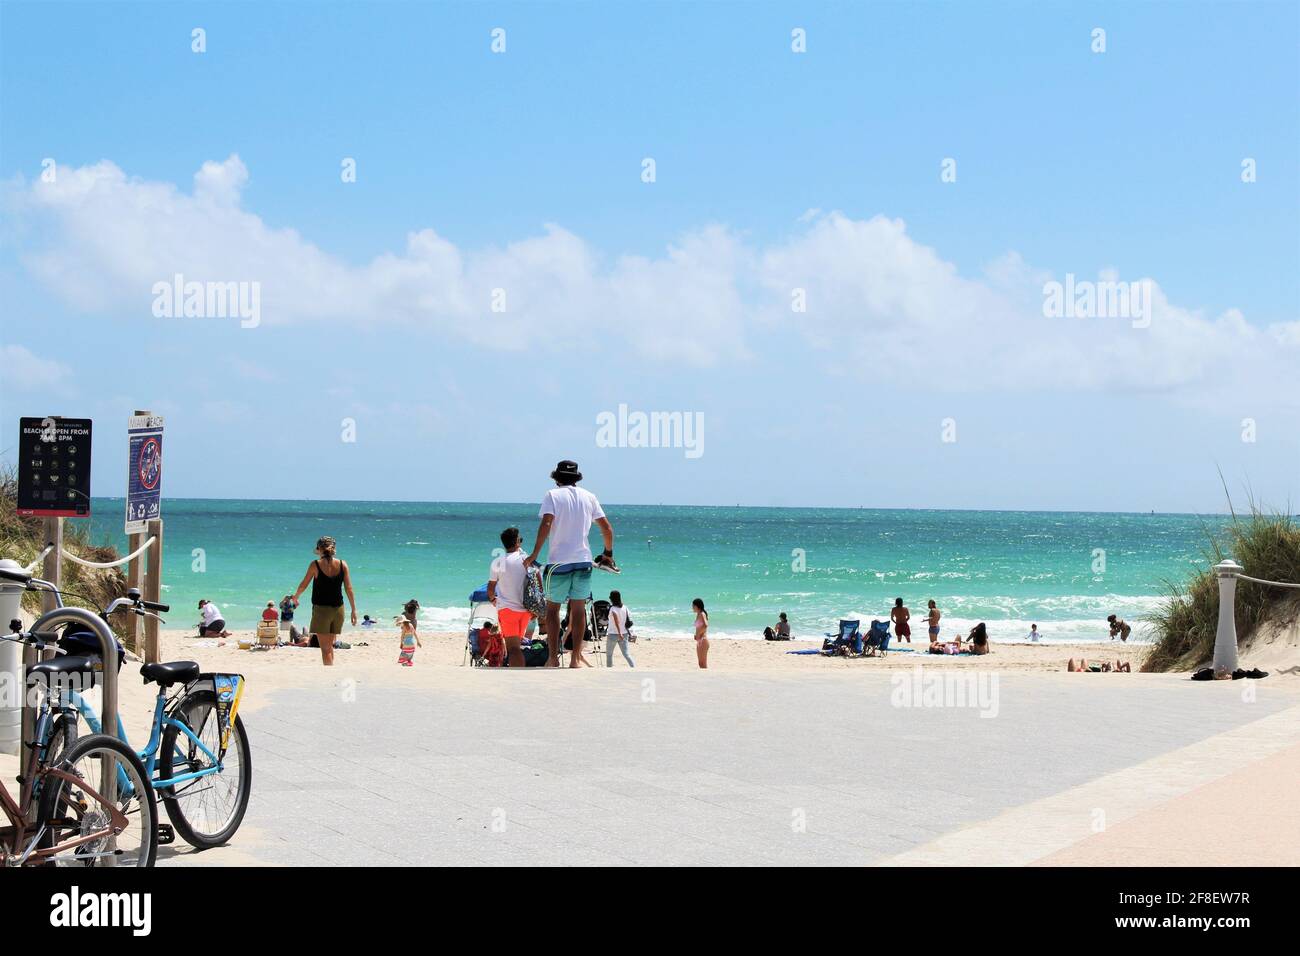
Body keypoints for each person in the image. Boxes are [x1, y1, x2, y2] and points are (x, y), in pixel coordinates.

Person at [523, 460, 615, 668]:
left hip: (558, 563)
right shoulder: (589, 497)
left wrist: (535, 553)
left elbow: (546, 523)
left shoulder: (552, 496)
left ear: (556, 478)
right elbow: (607, 529)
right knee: (578, 610)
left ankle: (553, 658)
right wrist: (608, 553)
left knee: (553, 610)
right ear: (576, 478)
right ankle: (575, 660)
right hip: (583, 561)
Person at [290, 535, 358, 666]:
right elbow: (349, 589)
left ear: (319, 549)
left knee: (325, 649)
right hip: (339, 610)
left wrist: (295, 597)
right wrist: (354, 610)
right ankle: (331, 672)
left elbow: (303, 585)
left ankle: (328, 675)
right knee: (330, 646)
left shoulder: (315, 565)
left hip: (321, 610)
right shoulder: (343, 564)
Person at [489, 526, 531, 669]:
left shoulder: (498, 562)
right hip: (525, 610)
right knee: (517, 646)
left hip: (507, 610)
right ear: (517, 542)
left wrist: (493, 599)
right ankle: (518, 673)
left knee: (513, 648)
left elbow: (490, 588)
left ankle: (517, 675)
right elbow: (536, 577)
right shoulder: (525, 559)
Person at [606, 590, 635, 667]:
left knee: (609, 654)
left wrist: (619, 633)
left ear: (612, 598)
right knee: (626, 654)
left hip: (613, 634)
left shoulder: (613, 609)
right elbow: (628, 620)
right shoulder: (625, 608)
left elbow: (616, 621)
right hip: (624, 633)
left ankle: (609, 670)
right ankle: (634, 668)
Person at [693, 598, 709, 669]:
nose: (692, 608)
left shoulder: (702, 614)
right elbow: (699, 627)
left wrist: (699, 634)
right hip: (699, 641)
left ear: (697, 606)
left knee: (703, 664)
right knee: (700, 664)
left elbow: (705, 625)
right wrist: (696, 635)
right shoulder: (698, 614)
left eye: (693, 606)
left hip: (703, 640)